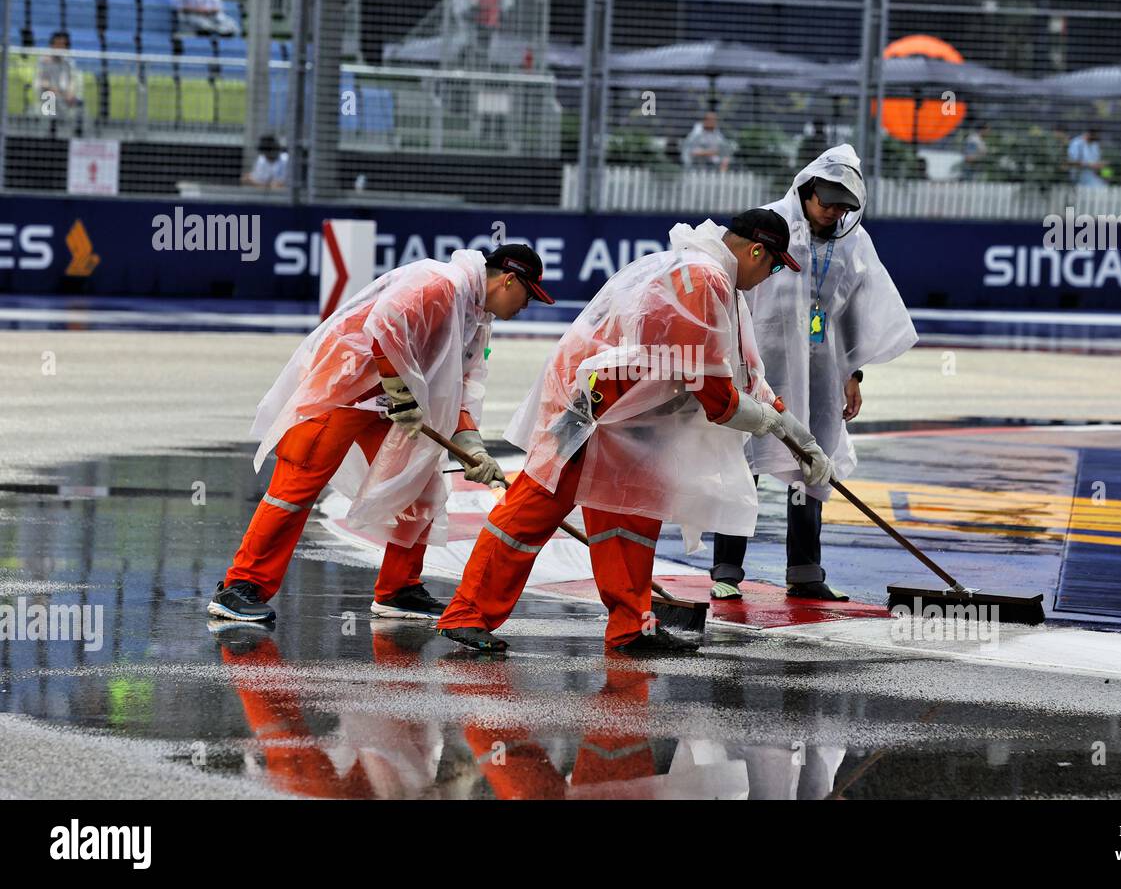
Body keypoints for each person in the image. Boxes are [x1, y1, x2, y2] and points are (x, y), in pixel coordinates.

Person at [435, 209, 834, 655]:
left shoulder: (717, 284)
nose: (771, 276)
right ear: (756, 250)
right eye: (775, 265)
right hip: (589, 409)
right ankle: (468, 614)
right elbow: (717, 397)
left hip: (630, 420)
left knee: (633, 516)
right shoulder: (703, 279)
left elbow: (747, 376)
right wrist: (772, 424)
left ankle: (631, 625)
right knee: (530, 514)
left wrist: (801, 439)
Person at [207, 244, 556, 624]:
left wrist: (471, 447)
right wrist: (398, 387)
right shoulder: (441, 284)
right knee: (296, 487)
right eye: (528, 296)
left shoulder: (475, 320)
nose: (526, 307)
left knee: (422, 487)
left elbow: (461, 385)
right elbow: (384, 324)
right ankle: (241, 587)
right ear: (508, 281)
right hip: (344, 388)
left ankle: (399, 588)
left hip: (392, 404)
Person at [710, 145, 917, 601]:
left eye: (843, 206)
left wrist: (853, 373)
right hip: (760, 363)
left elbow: (858, 307)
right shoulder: (766, 226)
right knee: (745, 462)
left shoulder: (853, 243)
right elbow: (725, 286)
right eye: (827, 202)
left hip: (821, 369)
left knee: (813, 464)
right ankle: (726, 569)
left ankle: (804, 571)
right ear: (806, 191)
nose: (833, 213)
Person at [34, 31, 84, 134]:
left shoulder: (69, 62)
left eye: (63, 45)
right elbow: (43, 83)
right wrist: (58, 92)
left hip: (64, 95)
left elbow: (72, 80)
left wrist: (71, 93)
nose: (59, 48)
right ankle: (52, 132)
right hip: (47, 95)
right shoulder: (43, 61)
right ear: (51, 45)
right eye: (57, 44)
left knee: (80, 102)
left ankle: (77, 133)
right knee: (51, 98)